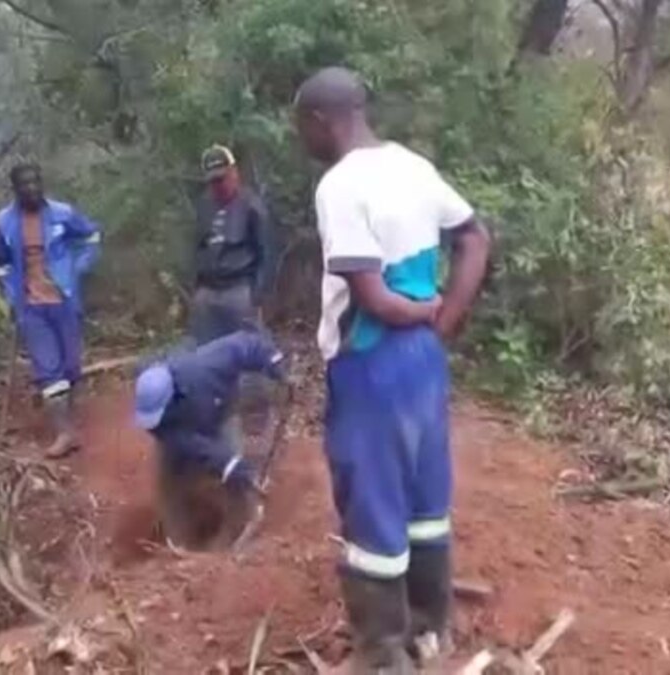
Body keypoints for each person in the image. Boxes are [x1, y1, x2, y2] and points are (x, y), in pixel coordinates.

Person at [292, 67, 492, 673]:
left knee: (373, 502)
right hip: (425, 362)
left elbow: (373, 300)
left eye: (303, 127)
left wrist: (425, 310)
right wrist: (448, 317)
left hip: (372, 362)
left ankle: (382, 657)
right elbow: (475, 236)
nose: (303, 139)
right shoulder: (412, 166)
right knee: (424, 495)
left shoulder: (339, 186)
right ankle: (431, 631)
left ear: (322, 120)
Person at [133, 330, 286, 550]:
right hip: (186, 428)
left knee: (237, 478)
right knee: (170, 479)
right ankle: (178, 542)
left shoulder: (208, 365)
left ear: (173, 396)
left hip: (220, 414)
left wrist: (272, 360)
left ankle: (234, 534)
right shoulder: (159, 423)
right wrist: (228, 463)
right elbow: (193, 444)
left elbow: (244, 343)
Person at [0, 163, 101, 459]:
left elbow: (91, 236)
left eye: (36, 182)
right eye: (25, 185)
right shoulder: (4, 222)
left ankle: (70, 418)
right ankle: (64, 432)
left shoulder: (63, 213)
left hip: (64, 301)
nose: (32, 189)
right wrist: (12, 293)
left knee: (70, 366)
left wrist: (79, 267)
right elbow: (0, 262)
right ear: (15, 190)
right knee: (48, 370)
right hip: (32, 306)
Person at [189, 144, 277, 345]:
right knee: (207, 353)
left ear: (234, 173)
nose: (218, 186)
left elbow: (267, 252)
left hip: (239, 289)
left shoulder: (252, 206)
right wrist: (197, 287)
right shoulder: (204, 206)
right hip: (208, 291)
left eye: (222, 179)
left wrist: (257, 294)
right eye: (213, 181)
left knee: (247, 351)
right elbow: (197, 247)